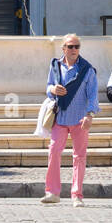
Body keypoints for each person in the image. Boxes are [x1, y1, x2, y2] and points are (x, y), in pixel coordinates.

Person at [40, 34, 100, 207]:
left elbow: (93, 94)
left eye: (77, 46)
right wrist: (53, 89)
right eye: (70, 46)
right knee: (53, 151)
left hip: (80, 119)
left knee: (79, 157)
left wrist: (90, 115)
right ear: (63, 48)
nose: (74, 50)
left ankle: (77, 195)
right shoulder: (55, 65)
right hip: (60, 117)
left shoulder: (87, 69)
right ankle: (52, 192)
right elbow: (48, 87)